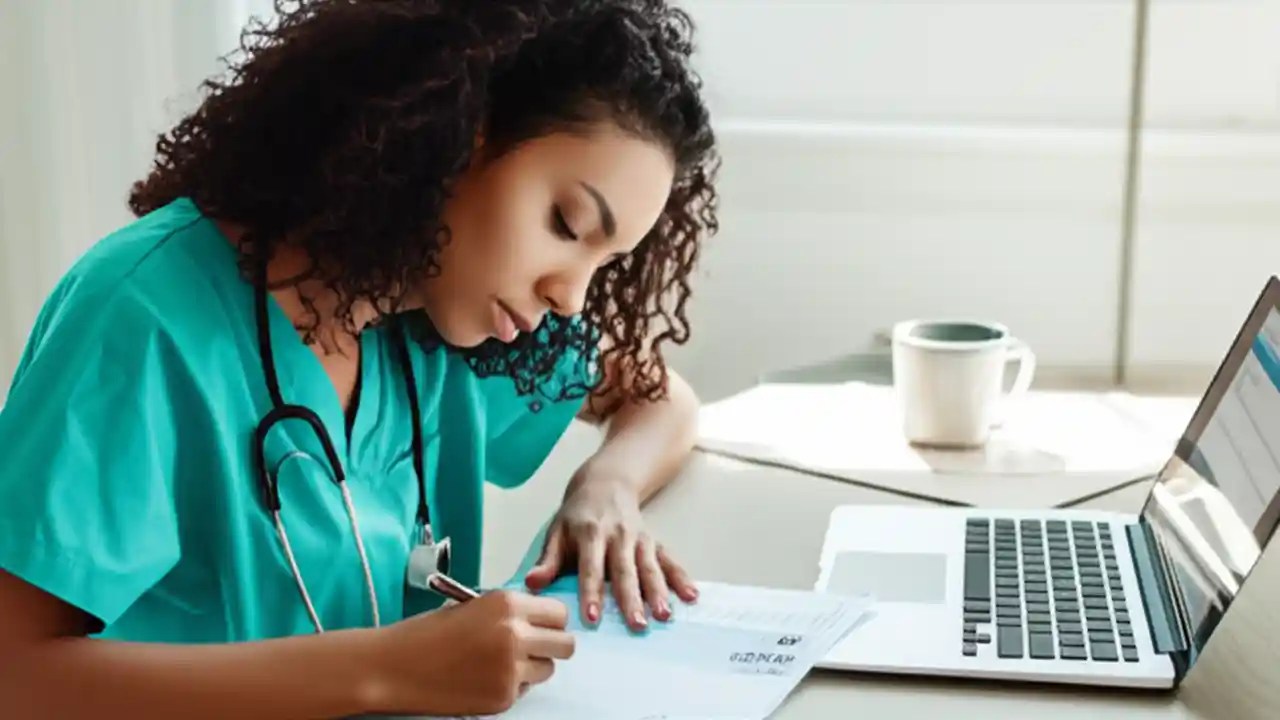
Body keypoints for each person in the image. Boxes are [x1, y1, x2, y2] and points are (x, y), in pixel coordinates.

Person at [0, 0, 719, 716]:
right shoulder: (142, 319)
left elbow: (660, 397)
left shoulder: (453, 322)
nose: (570, 296)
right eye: (566, 223)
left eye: (606, 262)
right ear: (457, 131)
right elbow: (12, 673)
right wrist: (387, 670)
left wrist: (605, 486)